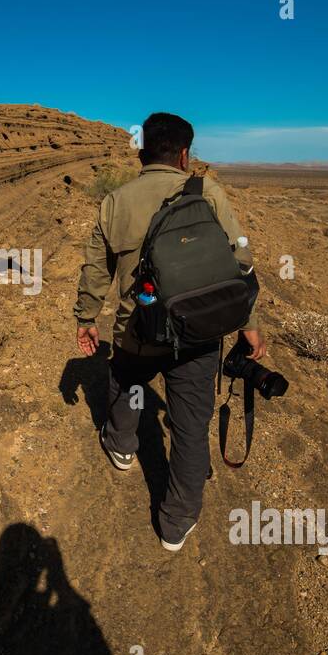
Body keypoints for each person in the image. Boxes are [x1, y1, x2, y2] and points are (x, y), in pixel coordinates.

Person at [74, 112, 266, 551]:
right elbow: (242, 263)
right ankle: (176, 521)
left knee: (126, 382)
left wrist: (86, 319)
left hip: (135, 330)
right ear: (185, 154)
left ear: (141, 153)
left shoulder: (115, 201)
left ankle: (121, 447)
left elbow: (94, 272)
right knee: (191, 425)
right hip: (198, 333)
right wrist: (249, 325)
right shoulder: (207, 193)